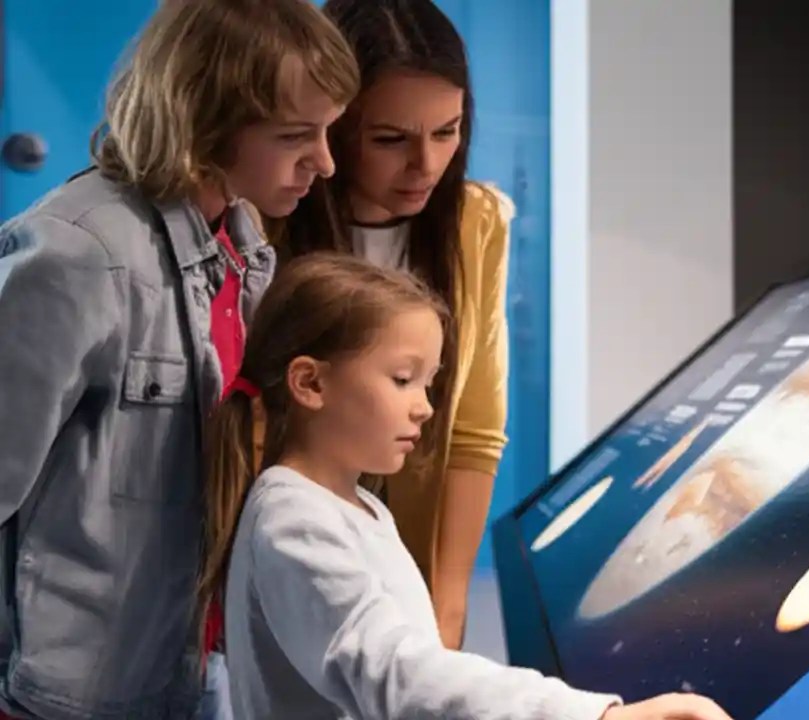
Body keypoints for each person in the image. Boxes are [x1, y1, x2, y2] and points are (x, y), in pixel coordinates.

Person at [0, 0, 358, 717]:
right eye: (296, 135)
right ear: (203, 124)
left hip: (193, 672)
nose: (325, 162)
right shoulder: (77, 256)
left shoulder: (243, 233)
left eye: (328, 130)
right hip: (77, 695)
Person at [203, 253, 732, 720]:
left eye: (428, 383)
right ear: (310, 383)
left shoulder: (357, 506)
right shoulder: (294, 521)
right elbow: (398, 677)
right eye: (402, 378)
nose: (425, 406)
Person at [273, 0, 510, 651]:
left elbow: (474, 428)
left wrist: (449, 603)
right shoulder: (270, 215)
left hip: (403, 548)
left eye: (447, 131)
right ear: (335, 125)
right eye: (390, 138)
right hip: (283, 537)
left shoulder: (474, 222)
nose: (426, 165)